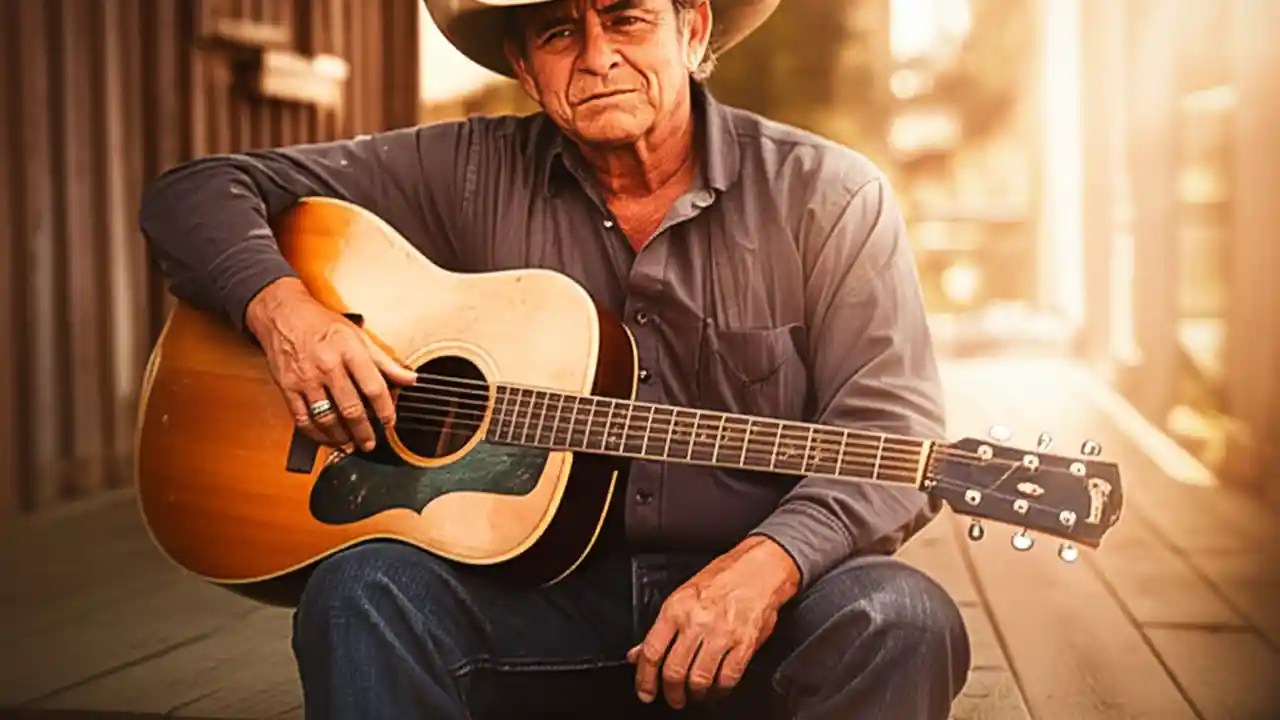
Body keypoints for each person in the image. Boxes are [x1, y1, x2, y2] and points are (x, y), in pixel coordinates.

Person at [138, 0, 970, 717]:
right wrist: (288, 316)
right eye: (559, 31)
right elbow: (193, 193)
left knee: (903, 617)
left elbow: (891, 429)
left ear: (693, 28)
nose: (598, 56)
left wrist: (767, 566)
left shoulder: (829, 197)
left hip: (762, 607)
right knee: (361, 593)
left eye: (627, 17)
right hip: (529, 601)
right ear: (525, 68)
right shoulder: (459, 172)